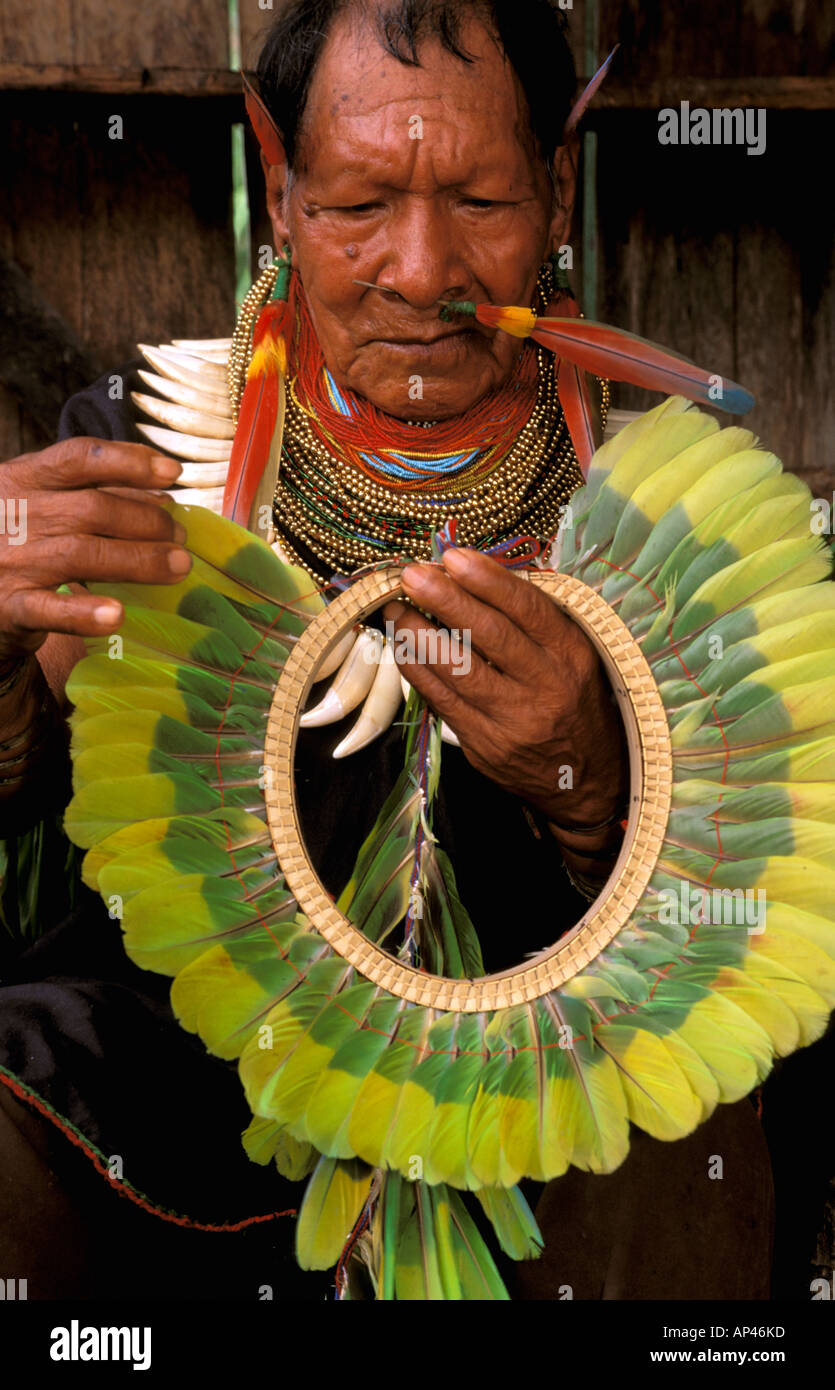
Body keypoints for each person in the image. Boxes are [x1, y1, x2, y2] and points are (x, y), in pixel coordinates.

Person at [0, 0, 782, 1299]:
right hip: (156, 1094)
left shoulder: (686, 526)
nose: (424, 271)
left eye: (479, 197)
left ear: (558, 187)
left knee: (686, 1123)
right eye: (362, 203)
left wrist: (597, 789)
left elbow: (761, 926)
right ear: (284, 196)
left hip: (545, 1105)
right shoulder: (141, 455)